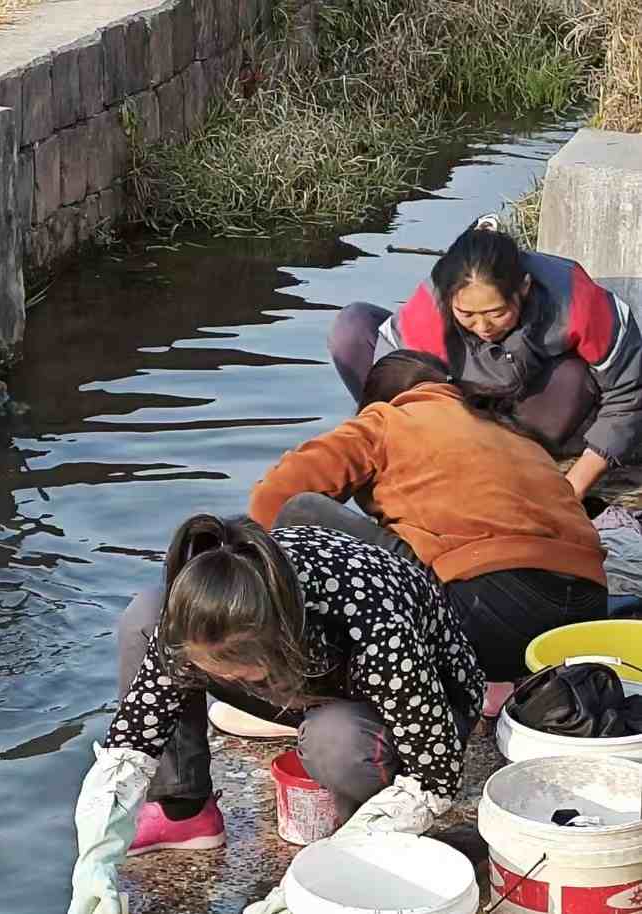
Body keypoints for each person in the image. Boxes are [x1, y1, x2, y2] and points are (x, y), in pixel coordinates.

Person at [68, 516, 485, 913]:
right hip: (307, 676)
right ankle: (184, 809)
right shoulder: (200, 610)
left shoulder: (375, 627)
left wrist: (329, 863)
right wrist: (95, 859)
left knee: (335, 741)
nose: (206, 678)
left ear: (280, 648)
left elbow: (436, 777)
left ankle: (367, 836)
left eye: (232, 671)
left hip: (427, 700)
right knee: (146, 613)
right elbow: (134, 738)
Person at [248, 349, 607, 684]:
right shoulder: (510, 429)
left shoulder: (387, 419)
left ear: (375, 402)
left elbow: (275, 497)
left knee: (301, 511)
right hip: (585, 616)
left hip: (489, 619)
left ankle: (302, 664)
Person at [328, 215, 642, 500]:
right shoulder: (429, 311)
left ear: (524, 288)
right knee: (354, 327)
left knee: (574, 376)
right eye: (466, 314)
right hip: (467, 404)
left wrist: (572, 488)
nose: (483, 328)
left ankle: (526, 459)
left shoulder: (575, 300)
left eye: (497, 313)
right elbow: (392, 395)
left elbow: (626, 395)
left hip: (543, 408)